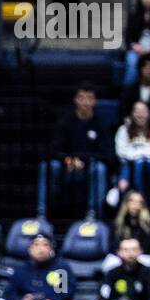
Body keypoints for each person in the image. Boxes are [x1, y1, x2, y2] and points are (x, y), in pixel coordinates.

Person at [44, 82, 112, 216]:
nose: (85, 102)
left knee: (99, 168)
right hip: (67, 166)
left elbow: (107, 153)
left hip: (91, 166)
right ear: (75, 100)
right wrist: (68, 160)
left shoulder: (101, 124)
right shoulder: (65, 122)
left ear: (94, 101)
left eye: (89, 98)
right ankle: (45, 211)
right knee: (49, 166)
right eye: (82, 98)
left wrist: (86, 161)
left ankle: (94, 213)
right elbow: (55, 149)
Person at [4, 232, 75, 300]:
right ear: (30, 249)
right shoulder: (21, 269)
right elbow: (11, 293)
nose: (40, 249)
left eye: (45, 245)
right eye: (36, 245)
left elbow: (66, 291)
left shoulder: (61, 268)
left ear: (51, 249)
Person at [114, 101, 150, 202]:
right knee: (139, 163)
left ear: (148, 113)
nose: (140, 115)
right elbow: (120, 151)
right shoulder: (123, 129)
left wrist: (138, 154)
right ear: (132, 113)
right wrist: (140, 155)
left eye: (143, 111)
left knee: (144, 163)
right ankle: (138, 200)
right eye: (137, 111)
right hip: (128, 164)